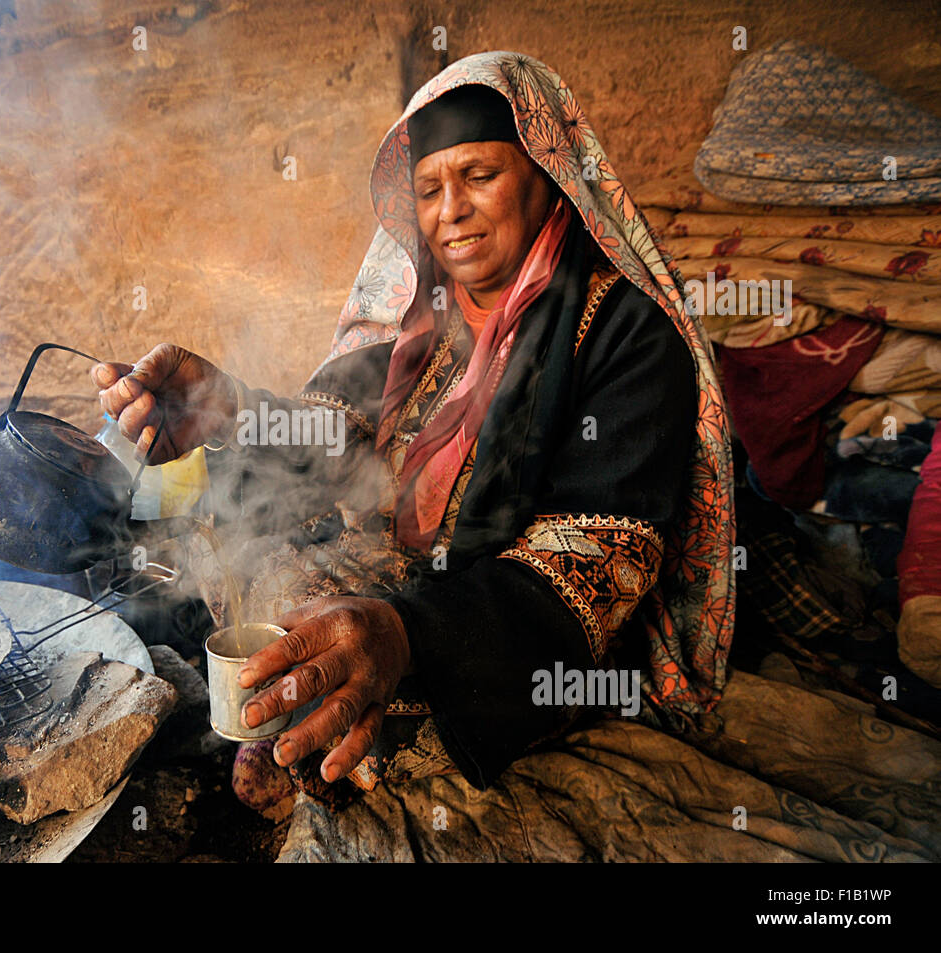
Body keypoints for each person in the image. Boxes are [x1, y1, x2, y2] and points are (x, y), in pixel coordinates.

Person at [93, 52, 734, 805]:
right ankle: (297, 728)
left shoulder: (628, 333)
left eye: (480, 175)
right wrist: (226, 408)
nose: (449, 210)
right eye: (429, 187)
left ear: (545, 173)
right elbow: (335, 441)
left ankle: (315, 743)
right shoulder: (418, 318)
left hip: (512, 628)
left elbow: (592, 571)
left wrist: (403, 633)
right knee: (229, 528)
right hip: (405, 582)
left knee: (346, 655)